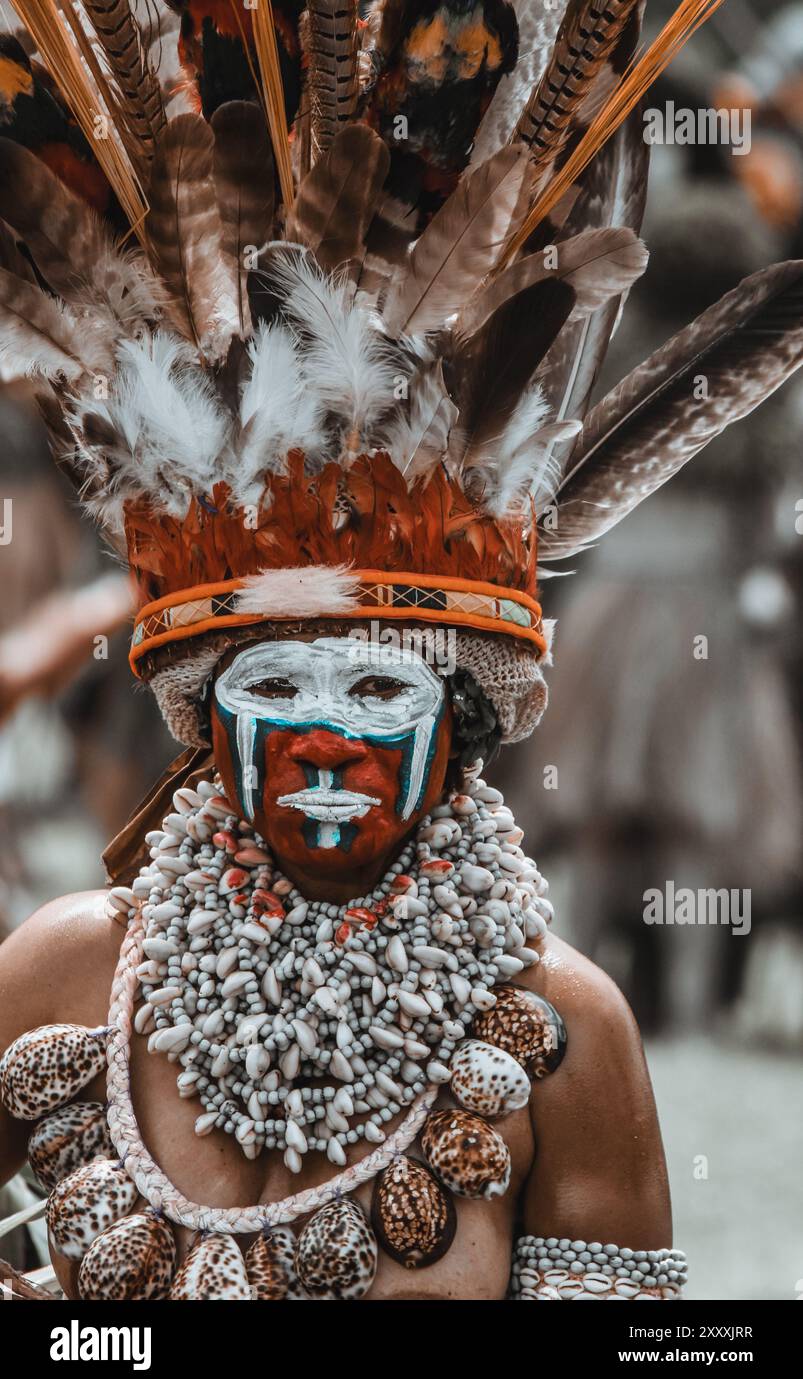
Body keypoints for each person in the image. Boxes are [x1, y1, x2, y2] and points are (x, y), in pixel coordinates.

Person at [0, 0, 800, 1301]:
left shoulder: (564, 1027)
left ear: (457, 724)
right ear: (209, 717)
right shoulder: (63, 968)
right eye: (274, 687)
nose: (324, 739)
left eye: (376, 687)